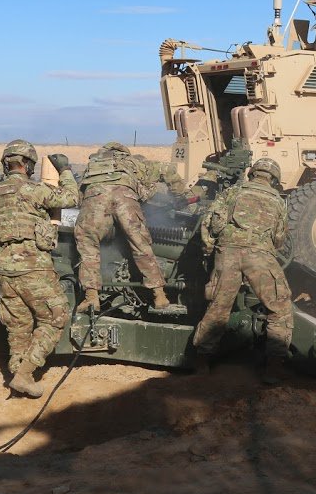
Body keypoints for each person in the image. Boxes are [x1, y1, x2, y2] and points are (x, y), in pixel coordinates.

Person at [0, 140, 80, 398]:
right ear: (27, 165)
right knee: (55, 316)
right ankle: (26, 374)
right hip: (33, 268)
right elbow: (71, 197)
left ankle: (17, 378)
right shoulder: (32, 190)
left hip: (4, 270)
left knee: (18, 327)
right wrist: (66, 171)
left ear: (6, 164)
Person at [193, 158, 293, 383]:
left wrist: (210, 252)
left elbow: (210, 224)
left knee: (218, 308)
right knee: (279, 308)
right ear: (274, 179)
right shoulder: (278, 200)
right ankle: (274, 368)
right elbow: (279, 238)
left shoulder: (232, 192)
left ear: (252, 174)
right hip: (260, 257)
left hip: (227, 254)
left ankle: (201, 363)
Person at [74, 141, 190, 310]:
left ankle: (91, 297)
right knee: (141, 245)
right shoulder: (133, 162)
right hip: (125, 200)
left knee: (88, 247)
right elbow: (168, 170)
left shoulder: (92, 166)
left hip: (95, 201)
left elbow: (79, 196)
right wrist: (179, 197)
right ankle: (159, 295)